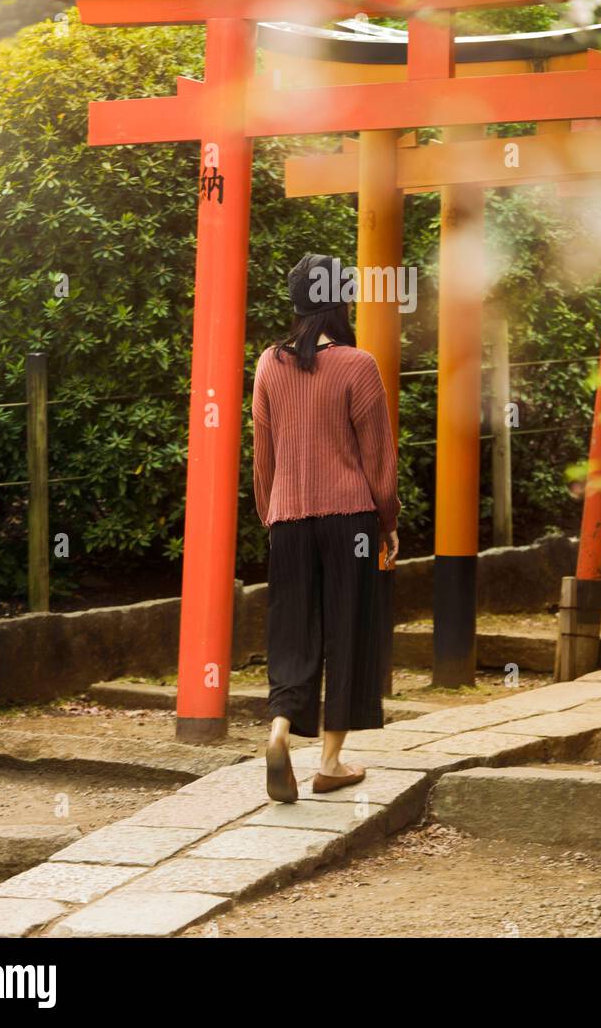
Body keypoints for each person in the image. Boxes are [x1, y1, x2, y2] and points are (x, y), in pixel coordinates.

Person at [252, 252, 401, 803]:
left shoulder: (269, 364)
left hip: (288, 521)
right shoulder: (359, 365)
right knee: (349, 630)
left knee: (292, 630)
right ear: (340, 302)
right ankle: (331, 763)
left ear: (295, 304)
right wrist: (387, 520)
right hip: (350, 521)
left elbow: (261, 454)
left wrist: (272, 513)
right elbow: (378, 457)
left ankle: (279, 731)